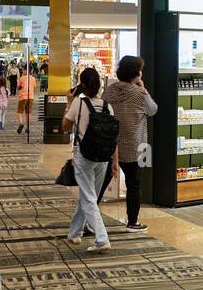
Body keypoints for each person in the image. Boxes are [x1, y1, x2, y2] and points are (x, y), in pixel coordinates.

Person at [99, 56, 157, 232]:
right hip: (136, 145)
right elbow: (153, 110)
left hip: (110, 144)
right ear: (137, 74)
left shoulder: (109, 90)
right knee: (134, 184)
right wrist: (143, 88)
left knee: (101, 183)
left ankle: (88, 218)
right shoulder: (140, 93)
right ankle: (132, 222)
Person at [62, 67, 112, 252]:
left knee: (89, 197)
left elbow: (65, 127)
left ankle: (101, 239)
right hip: (104, 157)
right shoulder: (107, 105)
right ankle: (74, 233)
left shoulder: (78, 103)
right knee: (89, 194)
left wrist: (69, 102)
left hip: (84, 156)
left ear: (81, 84)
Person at [16, 64, 36, 133]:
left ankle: (21, 123)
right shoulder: (33, 78)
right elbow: (34, 87)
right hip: (31, 97)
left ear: (25, 70)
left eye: (23, 70)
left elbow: (18, 87)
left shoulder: (21, 78)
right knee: (28, 113)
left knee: (20, 111)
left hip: (22, 97)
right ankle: (28, 127)